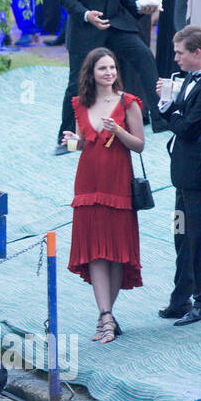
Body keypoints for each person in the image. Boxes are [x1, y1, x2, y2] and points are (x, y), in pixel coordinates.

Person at [55, 0, 159, 152]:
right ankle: (66, 138)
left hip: (116, 25)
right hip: (86, 30)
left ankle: (161, 116)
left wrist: (139, 8)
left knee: (144, 56)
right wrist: (85, 14)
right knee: (76, 84)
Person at [61, 48, 145, 342]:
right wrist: (73, 141)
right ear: (91, 74)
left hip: (118, 184)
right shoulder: (80, 104)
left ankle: (106, 316)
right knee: (96, 251)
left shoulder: (128, 102)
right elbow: (83, 144)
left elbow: (139, 145)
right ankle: (105, 315)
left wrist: (118, 130)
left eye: (112, 68)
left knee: (117, 253)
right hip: (88, 184)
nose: (109, 73)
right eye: (102, 69)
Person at [153, 25, 201, 325]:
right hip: (183, 175)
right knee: (182, 236)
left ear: (196, 52)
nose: (175, 58)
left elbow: (186, 129)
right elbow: (179, 121)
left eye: (180, 52)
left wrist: (169, 107)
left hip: (197, 176)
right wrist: (173, 105)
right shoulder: (191, 80)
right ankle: (181, 297)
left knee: (199, 236)